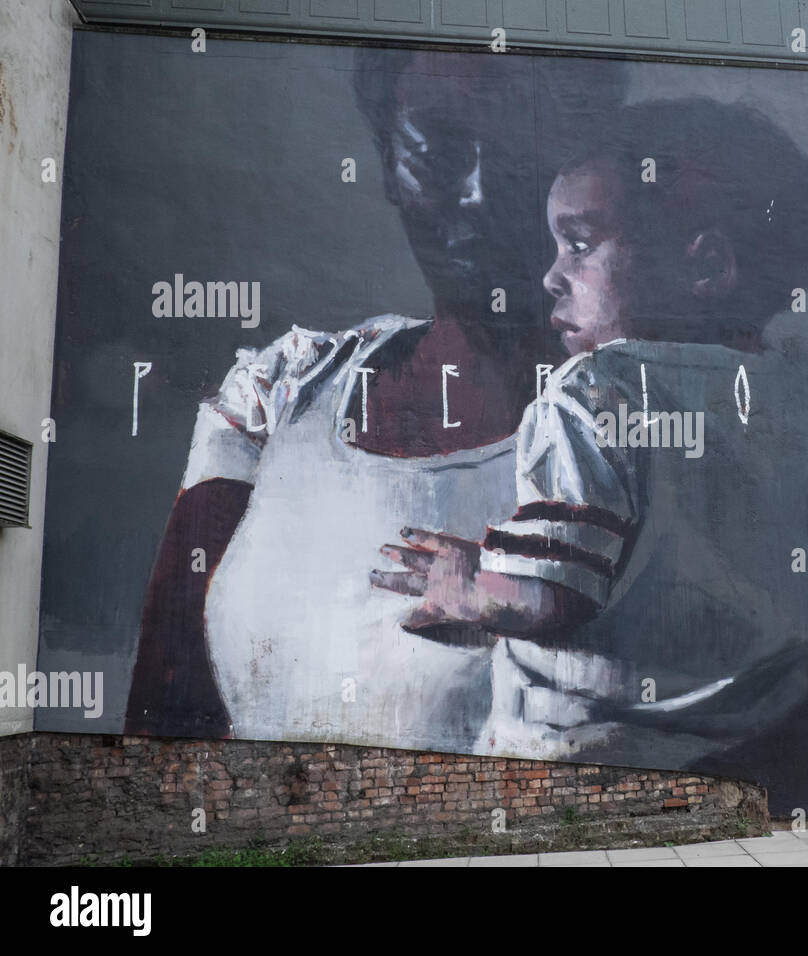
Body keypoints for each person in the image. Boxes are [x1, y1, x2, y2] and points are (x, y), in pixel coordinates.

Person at [370, 98, 808, 770]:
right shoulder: (805, 402)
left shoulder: (590, 396)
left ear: (704, 269)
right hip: (765, 733)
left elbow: (550, 595)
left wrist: (467, 586)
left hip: (591, 754)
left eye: (579, 245)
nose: (551, 276)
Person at [124, 51, 626, 749]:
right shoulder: (279, 396)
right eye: (441, 152)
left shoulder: (627, 435)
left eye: (518, 154)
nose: (480, 195)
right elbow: (164, 714)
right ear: (389, 166)